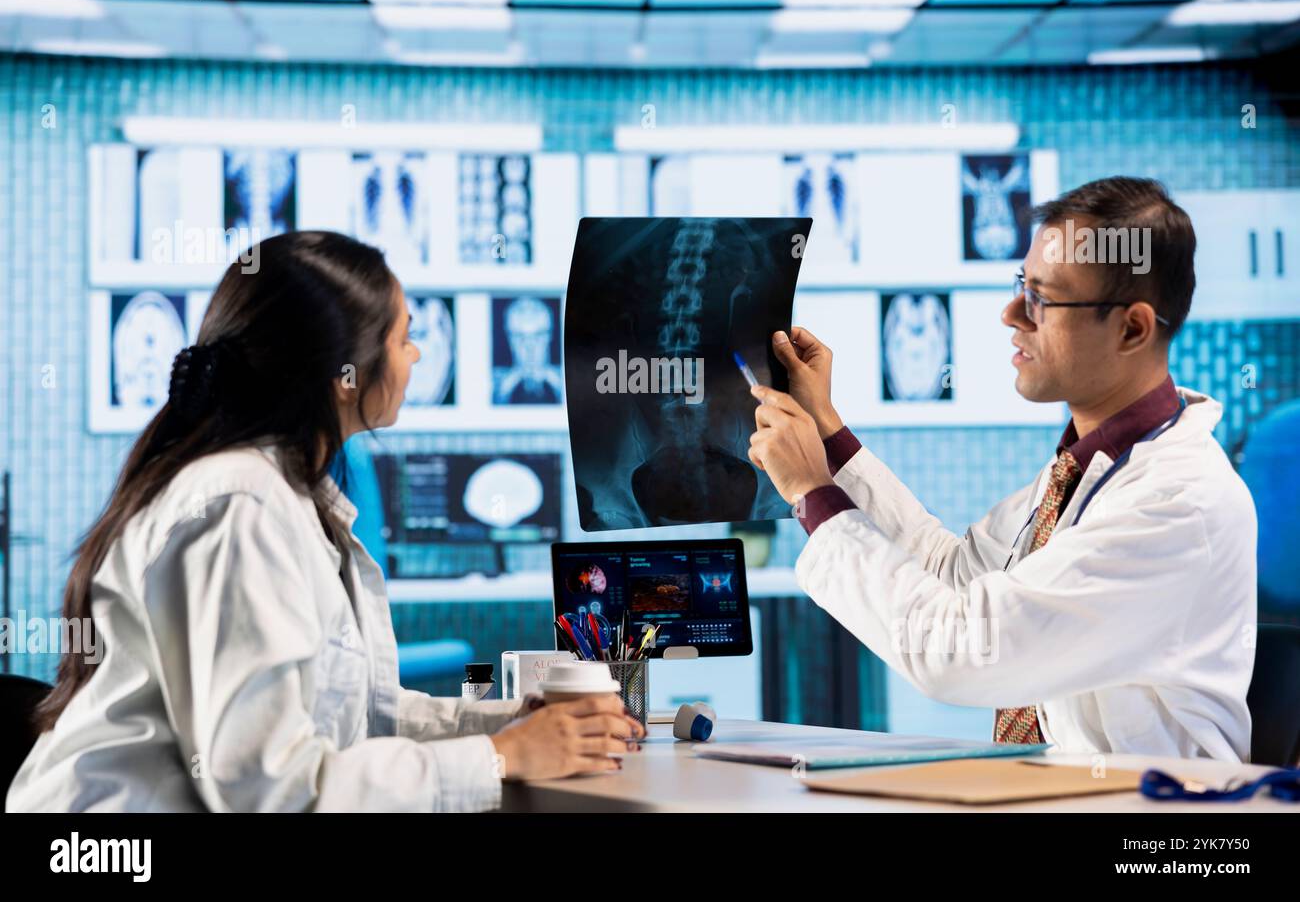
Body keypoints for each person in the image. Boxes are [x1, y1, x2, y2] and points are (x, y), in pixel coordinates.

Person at [7, 231, 642, 812]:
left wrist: (506, 726)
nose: (416, 355)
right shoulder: (240, 509)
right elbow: (267, 788)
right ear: (345, 374)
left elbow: (358, 715)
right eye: (402, 337)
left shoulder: (280, 498)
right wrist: (502, 757)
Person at [747, 177, 1257, 761]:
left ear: (1132, 328)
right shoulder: (1087, 472)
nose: (1012, 313)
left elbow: (961, 650)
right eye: (1022, 285)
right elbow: (951, 572)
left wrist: (813, 494)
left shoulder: (1177, 503)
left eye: (1044, 298)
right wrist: (829, 436)